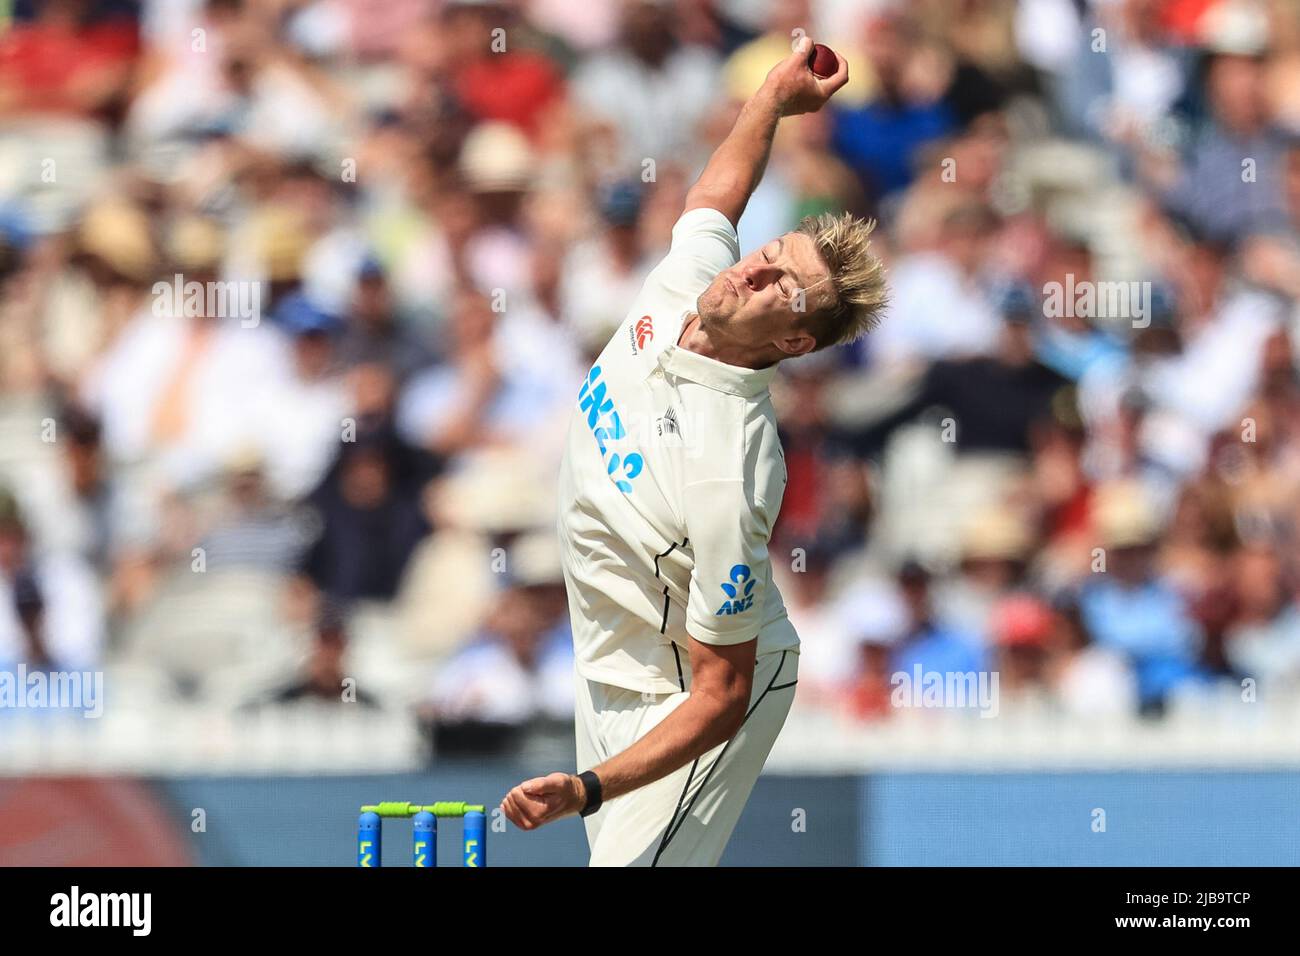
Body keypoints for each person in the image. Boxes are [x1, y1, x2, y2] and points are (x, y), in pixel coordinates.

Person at [500, 38, 886, 865]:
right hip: (613, 668)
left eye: (783, 288)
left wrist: (592, 787)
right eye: (770, 254)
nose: (754, 271)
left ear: (791, 337)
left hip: (691, 696)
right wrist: (771, 103)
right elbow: (716, 197)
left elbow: (724, 691)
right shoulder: (693, 283)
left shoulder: (729, 469)